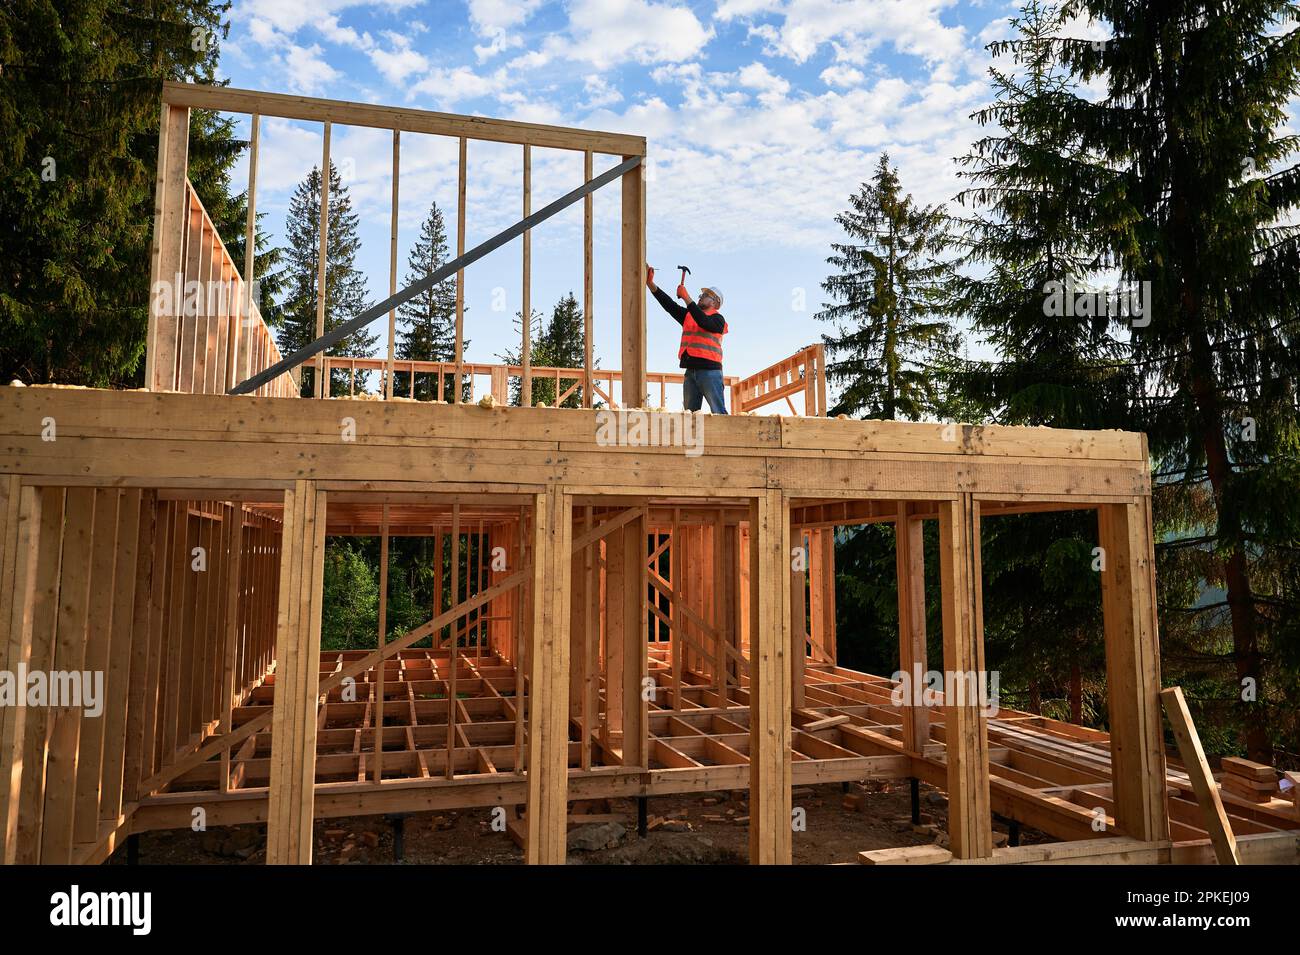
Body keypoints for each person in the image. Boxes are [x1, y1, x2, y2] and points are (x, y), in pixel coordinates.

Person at [645, 265, 729, 413]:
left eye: (705, 295)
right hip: (691, 371)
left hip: (710, 371)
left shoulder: (718, 319)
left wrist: (686, 297)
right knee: (690, 416)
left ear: (715, 302)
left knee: (719, 413)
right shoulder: (689, 316)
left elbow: (704, 322)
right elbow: (669, 305)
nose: (700, 297)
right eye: (701, 295)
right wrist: (651, 284)